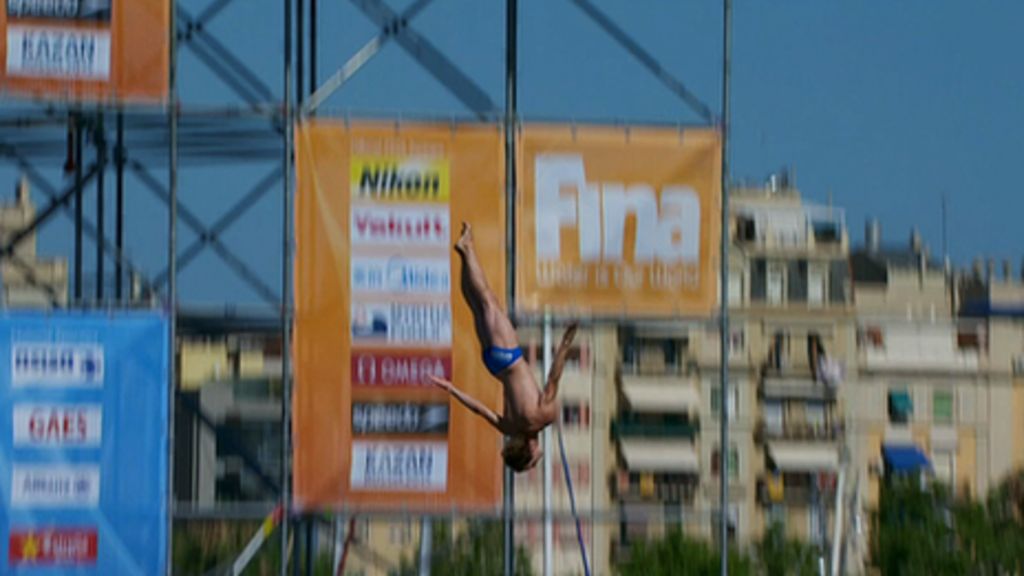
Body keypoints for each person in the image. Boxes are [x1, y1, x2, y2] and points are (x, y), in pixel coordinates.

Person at [430, 222, 578, 473]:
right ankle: (465, 253)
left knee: (487, 300)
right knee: (477, 305)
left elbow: (553, 378)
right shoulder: (509, 428)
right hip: (493, 364)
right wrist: (451, 389)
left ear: (530, 450)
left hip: (509, 355)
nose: (538, 459)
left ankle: (467, 249)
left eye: (534, 460)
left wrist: (565, 344)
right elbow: (479, 409)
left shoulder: (542, 417)